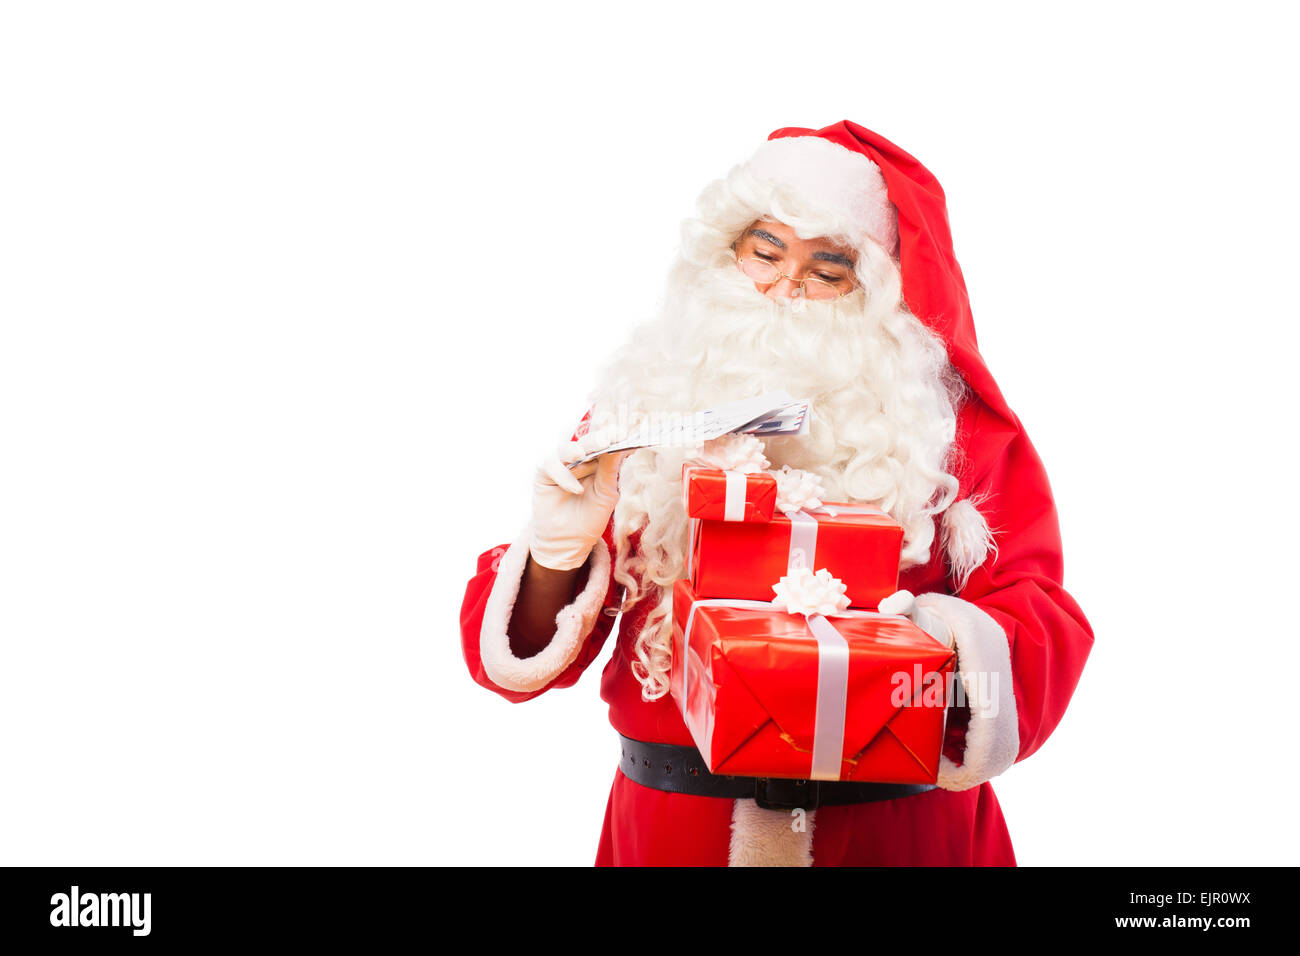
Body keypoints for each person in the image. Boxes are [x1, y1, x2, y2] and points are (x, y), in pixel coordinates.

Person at [458, 120, 1094, 866]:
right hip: (674, 833)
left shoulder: (943, 427)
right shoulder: (647, 401)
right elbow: (521, 664)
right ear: (725, 255)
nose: (788, 285)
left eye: (828, 270)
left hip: (897, 838)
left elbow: (1043, 623)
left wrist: (926, 651)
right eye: (766, 252)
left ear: (877, 291)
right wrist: (553, 558)